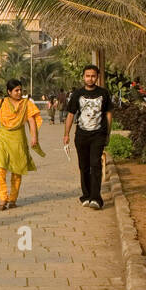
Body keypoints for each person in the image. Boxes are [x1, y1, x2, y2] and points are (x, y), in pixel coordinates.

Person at [0, 79, 40, 210]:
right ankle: (3, 199)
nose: (19, 93)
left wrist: (34, 137)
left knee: (17, 170)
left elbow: (31, 121)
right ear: (9, 92)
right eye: (16, 90)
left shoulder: (26, 104)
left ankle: (13, 199)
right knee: (0, 169)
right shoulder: (1, 103)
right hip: (2, 138)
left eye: (20, 90)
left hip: (18, 140)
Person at [64, 64, 115, 208]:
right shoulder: (77, 94)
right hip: (81, 135)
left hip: (98, 134)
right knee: (84, 166)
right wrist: (66, 134)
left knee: (95, 164)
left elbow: (109, 113)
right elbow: (70, 114)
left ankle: (96, 198)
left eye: (93, 76)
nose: (90, 78)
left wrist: (108, 133)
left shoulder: (104, 93)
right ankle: (86, 196)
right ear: (83, 77)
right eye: (87, 76)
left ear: (97, 77)